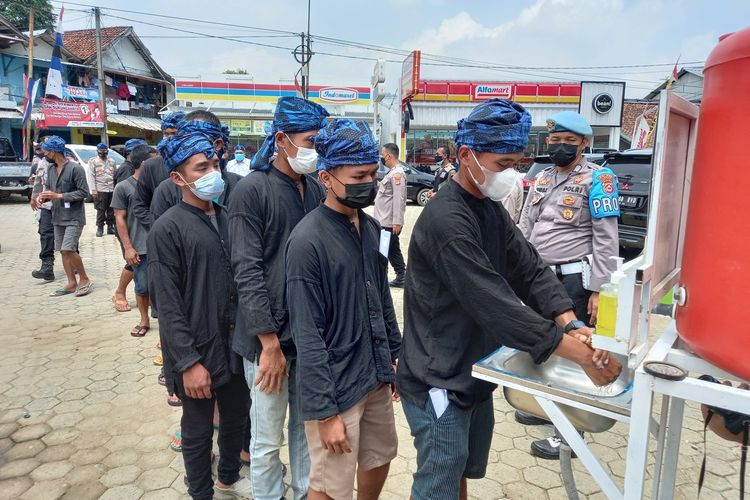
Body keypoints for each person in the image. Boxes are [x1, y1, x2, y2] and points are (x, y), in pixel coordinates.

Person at [395, 99, 622, 500]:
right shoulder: (447, 220)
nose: (512, 175)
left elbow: (530, 267)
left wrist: (570, 322)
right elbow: (496, 304)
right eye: (503, 165)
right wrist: (580, 354)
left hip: (474, 369)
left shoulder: (488, 206)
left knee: (459, 472)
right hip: (439, 379)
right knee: (436, 485)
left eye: (517, 164)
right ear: (466, 155)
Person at [286, 119, 401, 500]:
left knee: (379, 456)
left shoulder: (371, 229)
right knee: (330, 483)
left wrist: (394, 357)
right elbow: (307, 334)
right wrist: (325, 412)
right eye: (358, 175)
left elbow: (382, 298)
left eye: (372, 173)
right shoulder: (307, 241)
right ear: (326, 177)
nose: (368, 182)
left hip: (374, 374)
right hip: (336, 386)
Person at [229, 95, 328, 500]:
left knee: (307, 435)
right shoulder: (252, 191)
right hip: (266, 343)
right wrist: (269, 343)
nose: (315, 150)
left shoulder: (315, 190)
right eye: (310, 140)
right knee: (268, 442)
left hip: (306, 337)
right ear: (282, 139)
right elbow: (247, 271)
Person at [148, 130, 252, 500]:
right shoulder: (168, 228)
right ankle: (201, 492)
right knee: (196, 426)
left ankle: (227, 476)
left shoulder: (227, 217)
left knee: (238, 415)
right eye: (201, 167)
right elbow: (168, 305)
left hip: (235, 342)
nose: (214, 172)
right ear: (178, 178)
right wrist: (188, 361)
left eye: (214, 163)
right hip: (196, 347)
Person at [517, 110, 621, 460]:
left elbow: (607, 239)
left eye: (568, 142)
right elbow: (526, 226)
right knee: (541, 344)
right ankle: (539, 406)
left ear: (584, 144)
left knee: (574, 351)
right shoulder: (543, 177)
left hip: (574, 280)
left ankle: (569, 433)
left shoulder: (599, 179)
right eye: (555, 141)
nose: (560, 146)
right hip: (537, 277)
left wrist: (600, 290)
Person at [37, 136, 93, 297]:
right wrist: (44, 195)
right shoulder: (50, 169)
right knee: (62, 251)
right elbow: (49, 188)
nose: (44, 154)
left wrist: (59, 196)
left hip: (74, 217)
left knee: (68, 248)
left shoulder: (75, 168)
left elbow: (83, 192)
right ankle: (71, 283)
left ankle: (84, 279)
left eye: (46, 151)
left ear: (54, 152)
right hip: (58, 216)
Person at [111, 145, 158, 338]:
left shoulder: (160, 184)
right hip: (140, 245)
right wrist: (128, 248)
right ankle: (144, 319)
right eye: (156, 160)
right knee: (142, 285)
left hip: (162, 245)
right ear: (146, 163)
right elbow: (119, 218)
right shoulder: (124, 187)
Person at [131, 111, 185, 230]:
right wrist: (158, 227)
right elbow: (139, 206)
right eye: (166, 134)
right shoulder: (151, 166)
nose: (169, 138)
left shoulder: (195, 164)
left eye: (174, 133)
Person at [374, 142, 408, 287]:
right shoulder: (392, 172)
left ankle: (380, 279)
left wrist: (397, 221)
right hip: (385, 220)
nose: (382, 158)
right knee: (393, 250)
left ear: (388, 155)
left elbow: (399, 199)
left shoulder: (397, 174)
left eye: (383, 155)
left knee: (382, 252)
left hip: (388, 222)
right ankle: (402, 276)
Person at [30, 140, 56, 281]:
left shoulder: (67, 164)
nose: (43, 153)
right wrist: (34, 197)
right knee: (45, 233)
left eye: (46, 150)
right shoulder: (42, 163)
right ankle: (47, 267)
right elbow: (38, 182)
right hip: (46, 206)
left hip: (62, 207)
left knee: (65, 235)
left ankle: (73, 261)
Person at [86, 142, 118, 237]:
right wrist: (93, 190)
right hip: (100, 189)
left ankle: (110, 227)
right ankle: (100, 228)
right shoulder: (93, 162)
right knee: (101, 210)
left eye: (105, 151)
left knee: (111, 210)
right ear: (97, 151)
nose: (103, 153)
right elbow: (91, 176)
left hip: (111, 189)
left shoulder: (112, 161)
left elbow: (115, 175)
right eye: (101, 151)